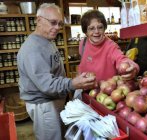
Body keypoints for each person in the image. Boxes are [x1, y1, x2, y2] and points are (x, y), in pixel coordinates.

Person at [17, 3, 96, 140]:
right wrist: (72, 83)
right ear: (39, 20)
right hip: (44, 106)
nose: (57, 28)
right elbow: (47, 85)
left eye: (59, 24)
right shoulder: (33, 49)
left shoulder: (46, 40)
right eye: (53, 23)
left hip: (52, 102)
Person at [78, 9, 140, 82]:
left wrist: (134, 68)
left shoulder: (111, 46)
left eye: (100, 27)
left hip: (104, 91)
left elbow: (121, 59)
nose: (96, 32)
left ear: (104, 28)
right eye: (91, 28)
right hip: (84, 88)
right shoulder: (83, 43)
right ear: (85, 32)